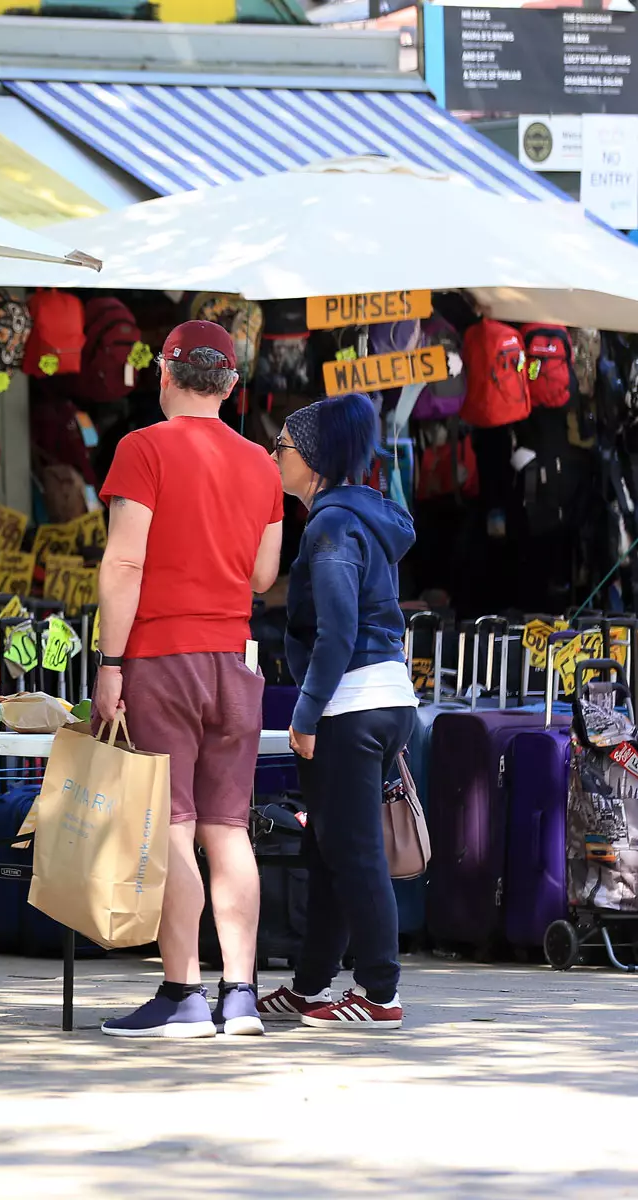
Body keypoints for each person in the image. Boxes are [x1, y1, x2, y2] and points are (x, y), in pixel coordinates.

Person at [94, 320, 284, 1040]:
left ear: (164, 376)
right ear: (232, 386)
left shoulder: (142, 448)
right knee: (228, 828)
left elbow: (123, 564)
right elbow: (264, 575)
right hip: (235, 662)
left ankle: (182, 994)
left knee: (171, 828)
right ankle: (240, 995)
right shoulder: (264, 466)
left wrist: (110, 665)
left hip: (161, 658)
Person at [259, 394, 417, 1031]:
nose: (275, 457)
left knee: (352, 854)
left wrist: (305, 712)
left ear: (314, 462)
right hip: (383, 696)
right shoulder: (355, 517)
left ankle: (379, 991)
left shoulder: (330, 527)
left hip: (350, 704)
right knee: (329, 852)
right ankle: (311, 985)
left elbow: (337, 629)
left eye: (283, 448)